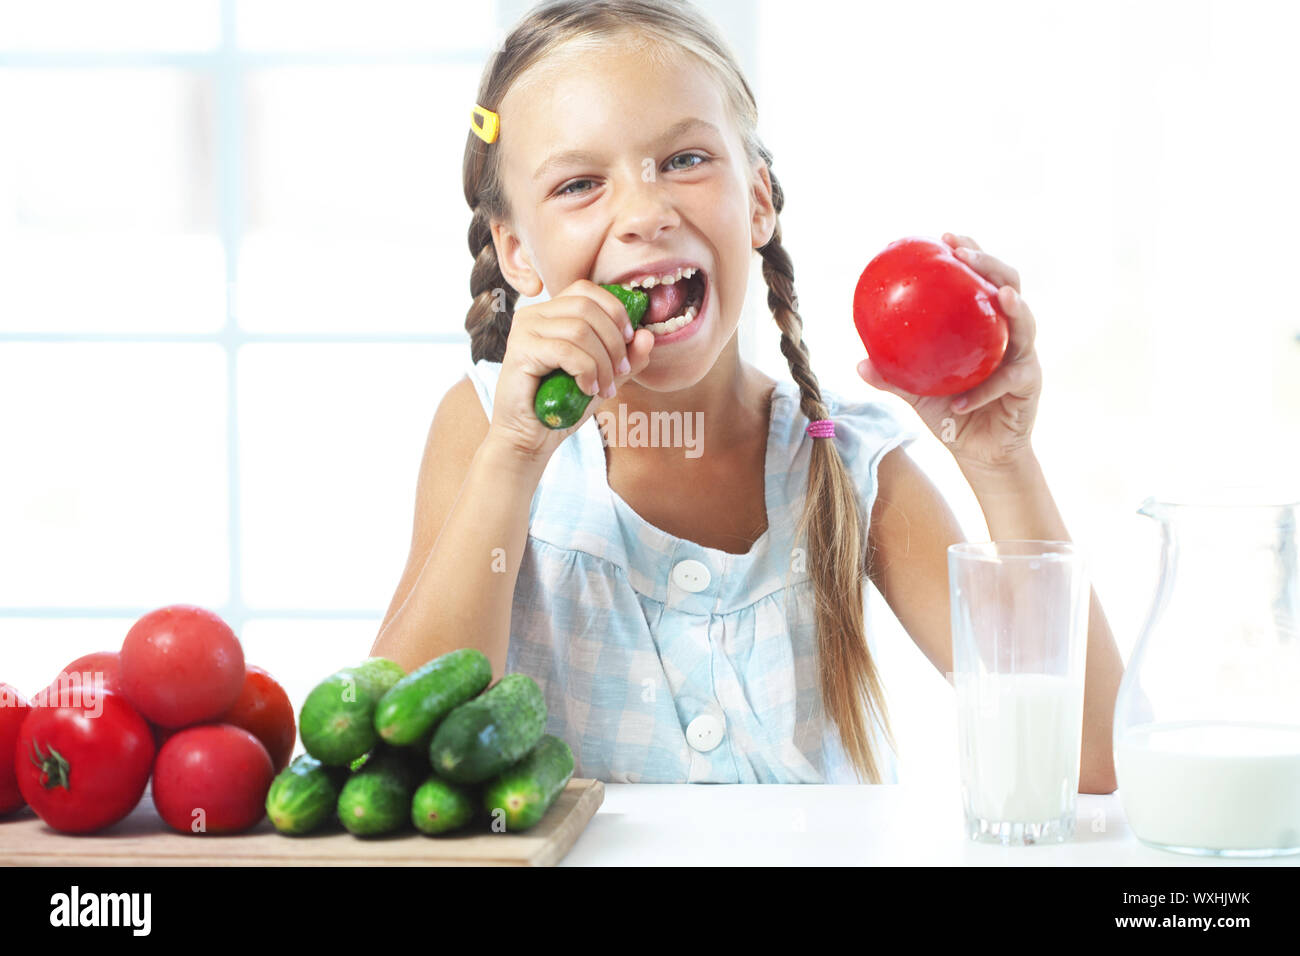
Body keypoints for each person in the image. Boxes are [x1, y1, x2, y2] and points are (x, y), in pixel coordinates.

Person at [371, 0, 1123, 788]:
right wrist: (516, 454)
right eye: (581, 183)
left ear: (758, 200)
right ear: (518, 252)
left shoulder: (847, 460)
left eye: (686, 160)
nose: (646, 212)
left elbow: (1089, 759)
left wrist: (1002, 464)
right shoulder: (489, 428)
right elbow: (403, 754)